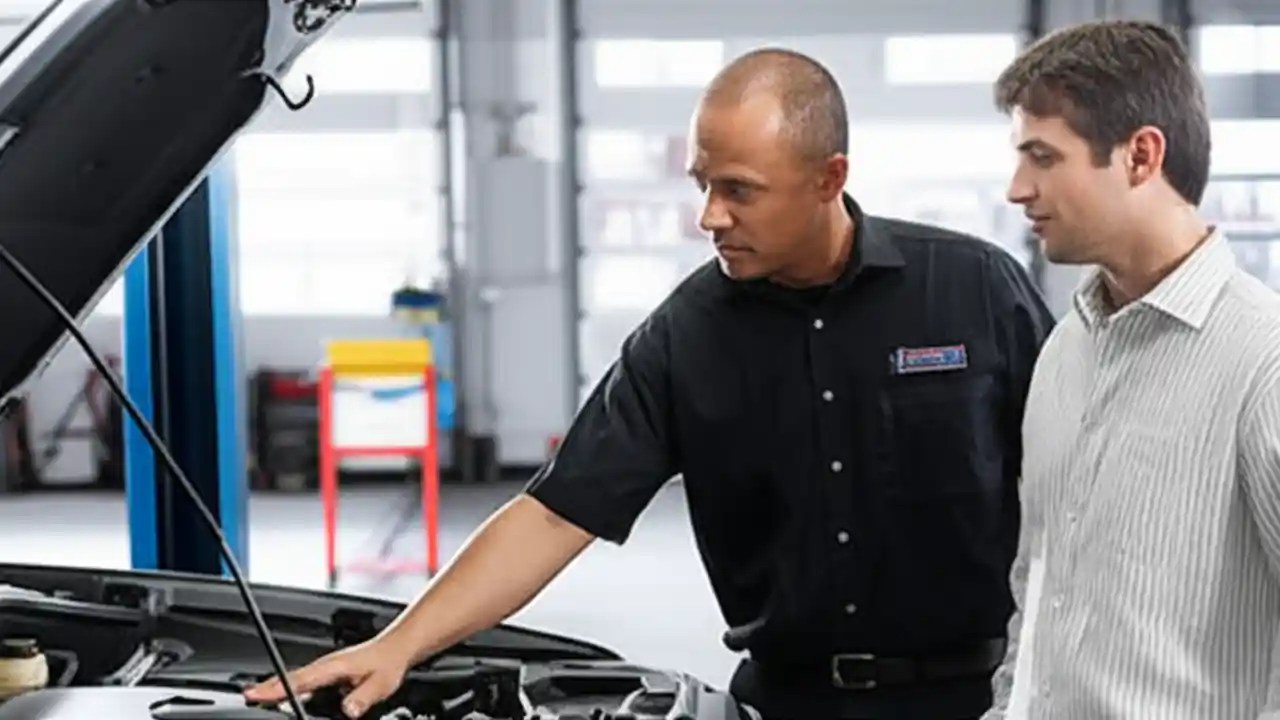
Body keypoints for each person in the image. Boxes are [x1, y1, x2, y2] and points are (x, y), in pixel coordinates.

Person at [246, 48, 1053, 720]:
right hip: (784, 705)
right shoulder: (688, 334)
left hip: (977, 701)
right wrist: (401, 644)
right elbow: (555, 514)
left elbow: (1082, 485)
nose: (709, 216)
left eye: (738, 189)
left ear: (827, 177)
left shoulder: (974, 291)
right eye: (703, 182)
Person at [991, 19, 1280, 719]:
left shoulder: (1262, 360)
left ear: (1141, 156)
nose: (1016, 188)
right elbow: (1038, 587)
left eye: (1043, 157)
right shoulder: (1065, 349)